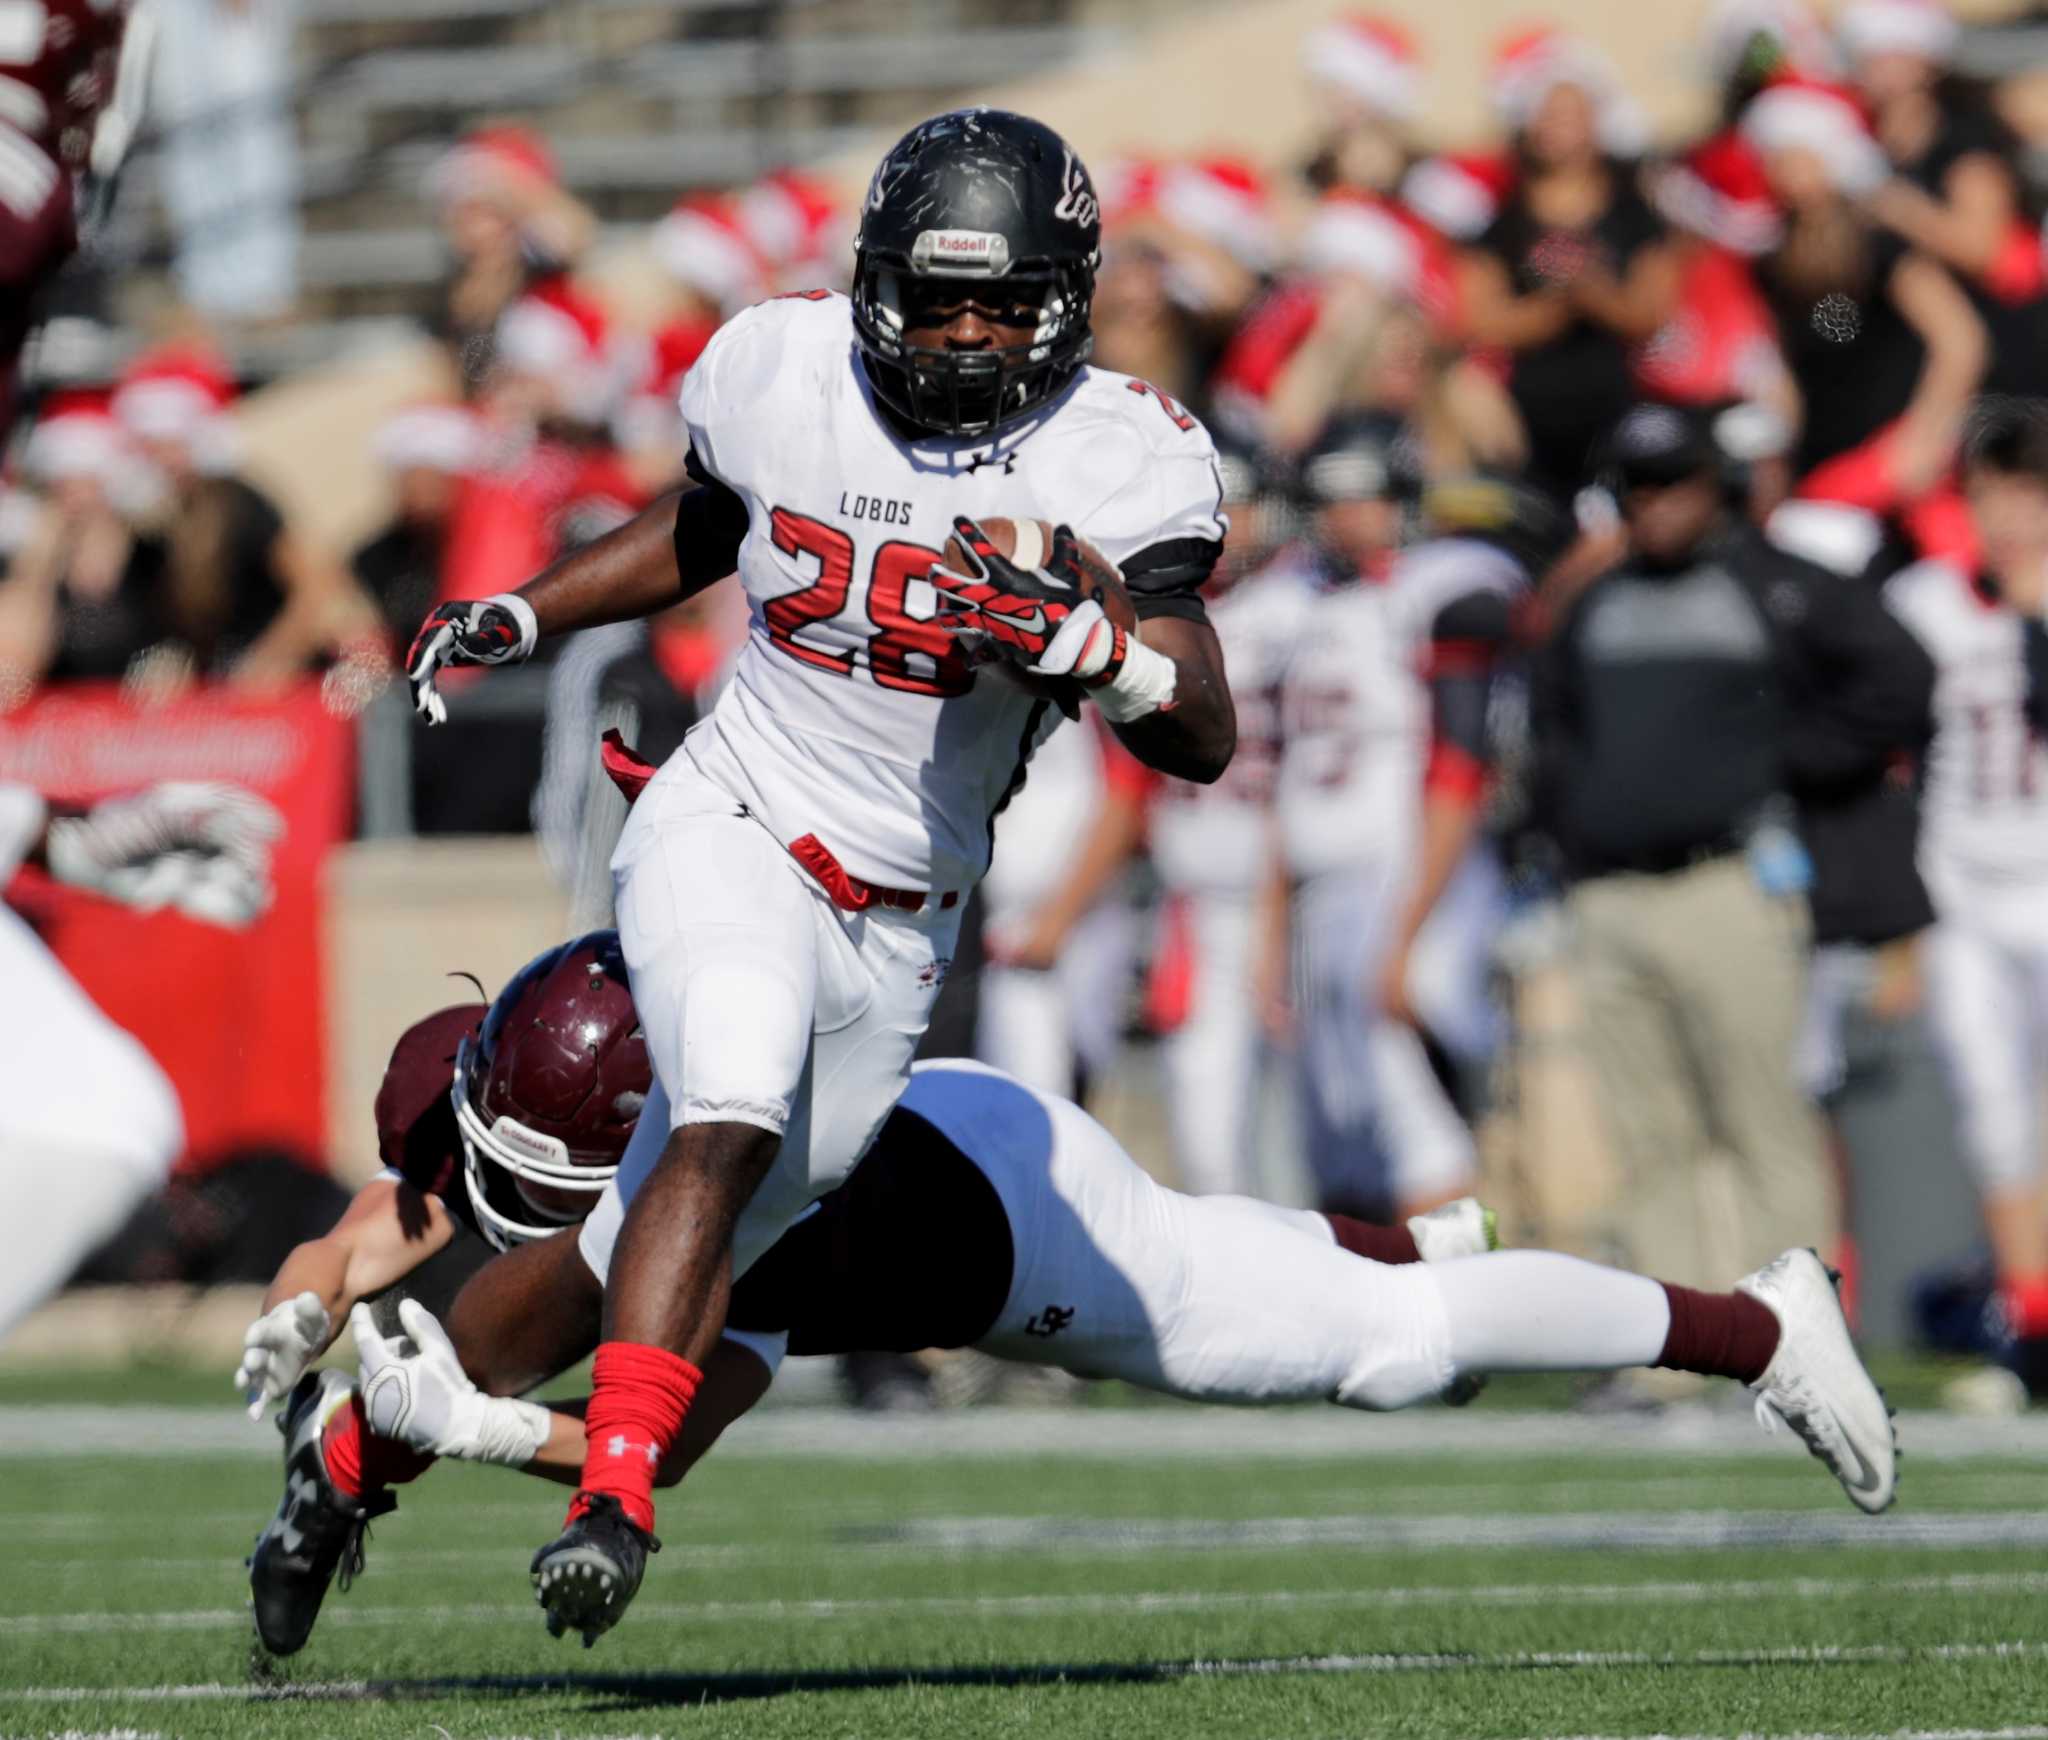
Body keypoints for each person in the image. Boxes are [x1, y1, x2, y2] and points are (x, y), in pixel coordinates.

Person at [401, 108, 1238, 1643]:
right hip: (730, 813)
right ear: (875, 285)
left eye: (1003, 299)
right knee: (724, 1102)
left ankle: (363, 1442)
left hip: (902, 915)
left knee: (678, 1232)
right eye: (937, 297)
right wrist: (526, 609)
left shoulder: (1124, 455)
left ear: (1068, 298)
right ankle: (616, 1500)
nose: (969, 330)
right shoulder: (781, 370)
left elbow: (1203, 725)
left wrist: (1101, 653)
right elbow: (711, 525)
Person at [241, 931, 1897, 1656]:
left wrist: (457, 1429)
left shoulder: (741, 1202)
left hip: (998, 1237)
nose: (506, 1215)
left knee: (1391, 1357)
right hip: (955, 1124)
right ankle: (1378, 1243)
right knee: (1273, 1263)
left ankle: (1754, 1323)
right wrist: (314, 1328)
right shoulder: (593, 1045)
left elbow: (660, 1442)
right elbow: (403, 1215)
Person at [1532, 402, 1934, 1297]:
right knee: (1645, 1137)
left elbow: (1902, 681)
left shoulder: (1776, 585)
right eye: (1639, 488)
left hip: (1730, 886)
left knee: (1763, 1123)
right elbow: (1552, 733)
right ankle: (1675, 1353)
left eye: (1677, 482)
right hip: (1611, 896)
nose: (1659, 504)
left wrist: (1785, 765)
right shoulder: (1596, 601)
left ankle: (1795, 1345)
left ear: (1720, 487)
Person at [1269, 414, 1479, 1222]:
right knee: (1337, 1115)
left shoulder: (1432, 587)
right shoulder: (1293, 599)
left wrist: (1409, 926)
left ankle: (1468, 1315)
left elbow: (1459, 768)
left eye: (1365, 499)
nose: (1345, 518)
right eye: (1332, 501)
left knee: (1408, 1107)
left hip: (1395, 869)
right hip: (1318, 882)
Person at [1886, 400, 2048, 1400]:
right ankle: (2029, 1327)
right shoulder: (1921, 601)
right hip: (1959, 890)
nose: (2004, 517)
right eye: (1987, 494)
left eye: (2025, 493)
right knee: (1990, 1112)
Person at [0, 776, 278, 1338]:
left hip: (41, 1125)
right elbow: (34, 823)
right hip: (76, 1119)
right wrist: (78, 839)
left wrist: (76, 841)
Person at [1460, 29, 1677, 503]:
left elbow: (1648, 314)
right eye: (1550, 114)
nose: (1561, 127)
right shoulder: (1503, 221)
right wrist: (1560, 304)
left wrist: (1592, 293)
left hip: (1615, 409)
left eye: (1573, 114)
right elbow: (1485, 320)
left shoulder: (1634, 213)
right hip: (1531, 420)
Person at [113, 343, 380, 688]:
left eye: (167, 443)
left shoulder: (241, 503)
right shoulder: (155, 523)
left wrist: (271, 659)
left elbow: (320, 588)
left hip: (277, 688)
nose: (159, 458)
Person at [1846, 0, 2048, 401]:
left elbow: (1981, 246)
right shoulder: (1867, 144)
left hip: (2000, 364)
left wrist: (1899, 209)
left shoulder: (1964, 143)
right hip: (1900, 360)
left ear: (1926, 62)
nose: (1878, 66)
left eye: (1892, 53)